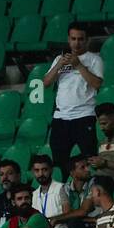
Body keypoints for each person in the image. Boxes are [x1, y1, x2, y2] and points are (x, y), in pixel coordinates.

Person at [42, 25, 103, 179]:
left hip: (84, 116)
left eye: (81, 39)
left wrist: (78, 65)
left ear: (87, 40)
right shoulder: (59, 59)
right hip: (60, 118)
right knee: (58, 163)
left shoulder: (95, 59)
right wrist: (59, 65)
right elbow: (46, 83)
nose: (77, 43)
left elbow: (97, 84)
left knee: (89, 160)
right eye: (73, 39)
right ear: (68, 40)